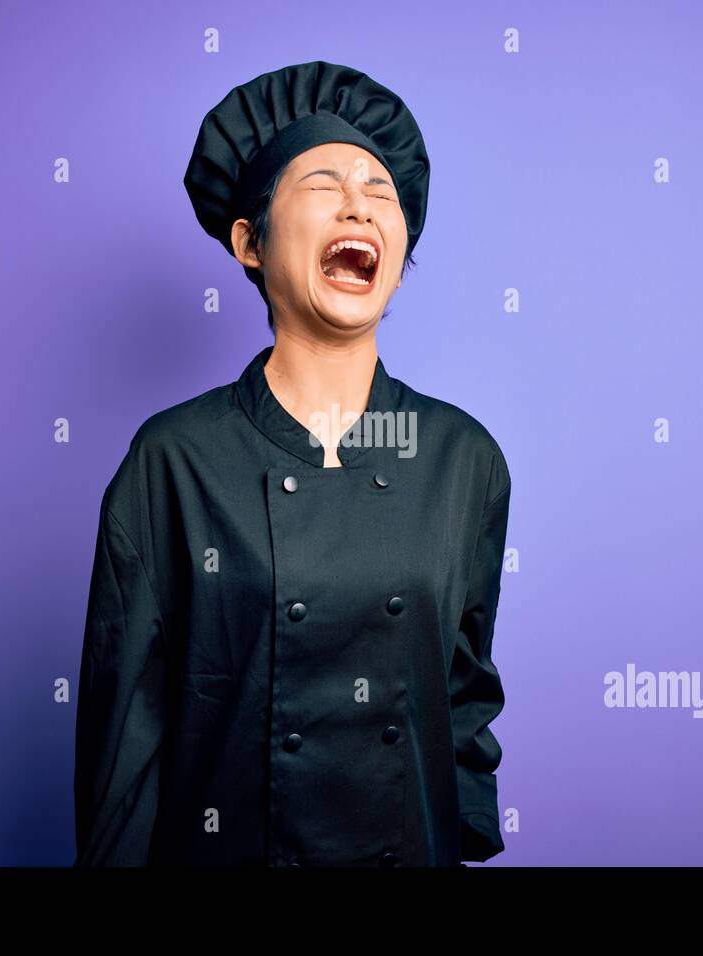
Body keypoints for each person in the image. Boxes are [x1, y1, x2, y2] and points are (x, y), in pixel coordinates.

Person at [73, 61, 512, 867]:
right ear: (249, 240)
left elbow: (463, 702)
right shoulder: (173, 460)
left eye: (381, 191)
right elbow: (123, 743)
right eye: (323, 181)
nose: (359, 203)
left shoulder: (464, 460)